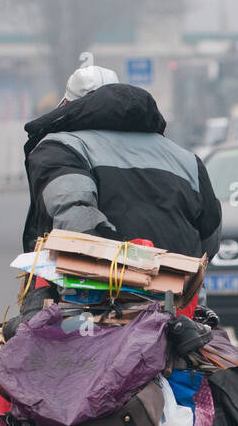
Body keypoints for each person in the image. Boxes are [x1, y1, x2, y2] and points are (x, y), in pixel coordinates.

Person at [18, 64, 222, 320]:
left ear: (67, 104)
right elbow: (210, 243)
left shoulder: (61, 148)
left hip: (97, 318)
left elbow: (78, 229)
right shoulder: (186, 159)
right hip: (179, 315)